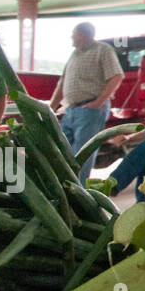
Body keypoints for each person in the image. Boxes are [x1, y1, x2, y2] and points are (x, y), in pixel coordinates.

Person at [50, 22, 123, 184]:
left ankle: (78, 190)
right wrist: (51, 107)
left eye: (74, 34)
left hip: (90, 110)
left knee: (83, 153)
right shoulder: (74, 54)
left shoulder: (102, 50)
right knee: (62, 149)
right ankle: (63, 185)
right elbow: (62, 83)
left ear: (83, 35)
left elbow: (117, 76)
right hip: (71, 110)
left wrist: (98, 102)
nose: (71, 37)